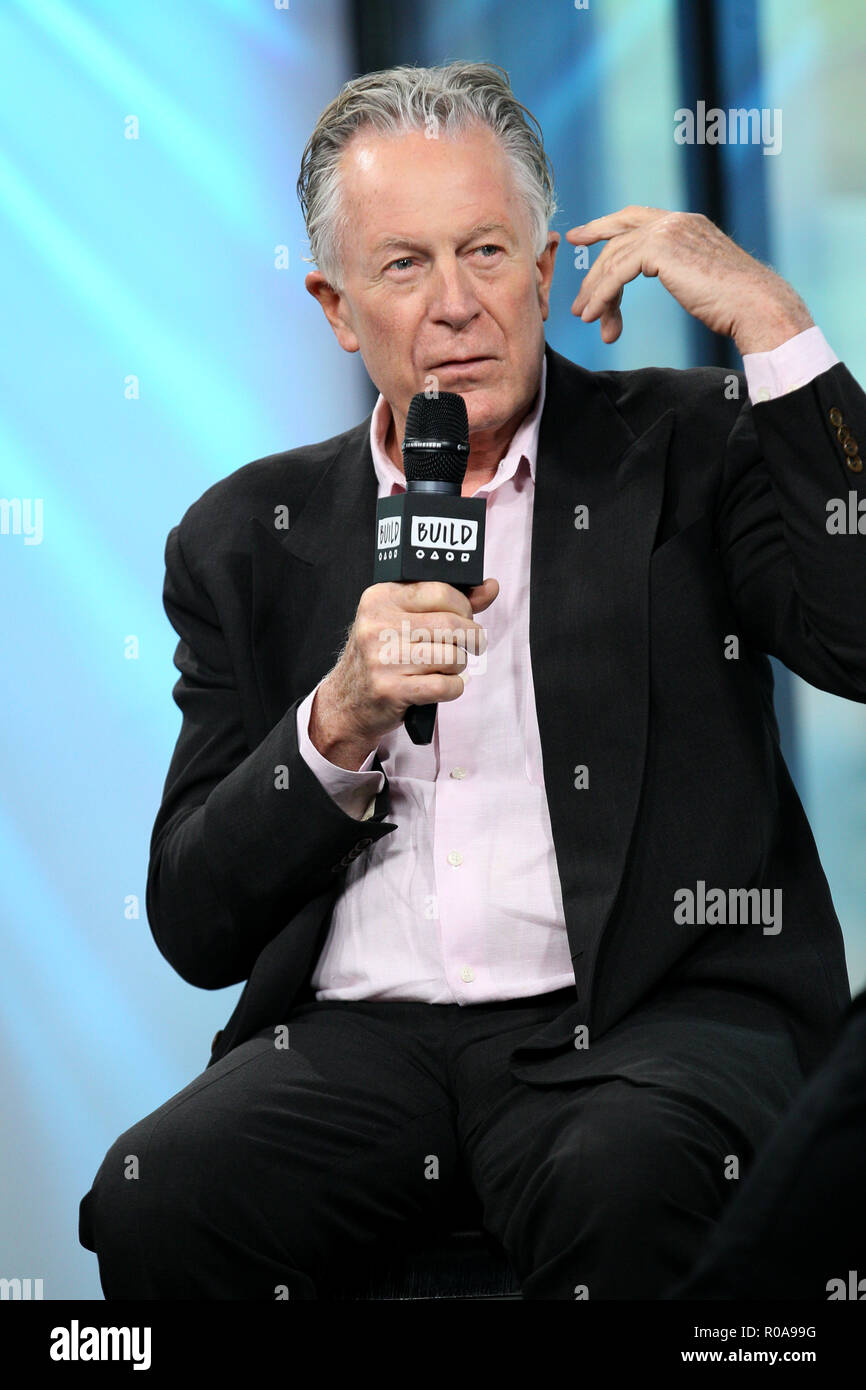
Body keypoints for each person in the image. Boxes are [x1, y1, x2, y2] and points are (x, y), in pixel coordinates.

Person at [79, 60, 866, 1300]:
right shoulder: (245, 536)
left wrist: (774, 326)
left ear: (544, 269)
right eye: (404, 267)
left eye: (487, 252)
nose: (457, 305)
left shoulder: (689, 445)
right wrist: (334, 721)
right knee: (158, 1199)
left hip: (645, 1022)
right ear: (337, 309)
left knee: (628, 1180)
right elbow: (193, 918)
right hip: (355, 1042)